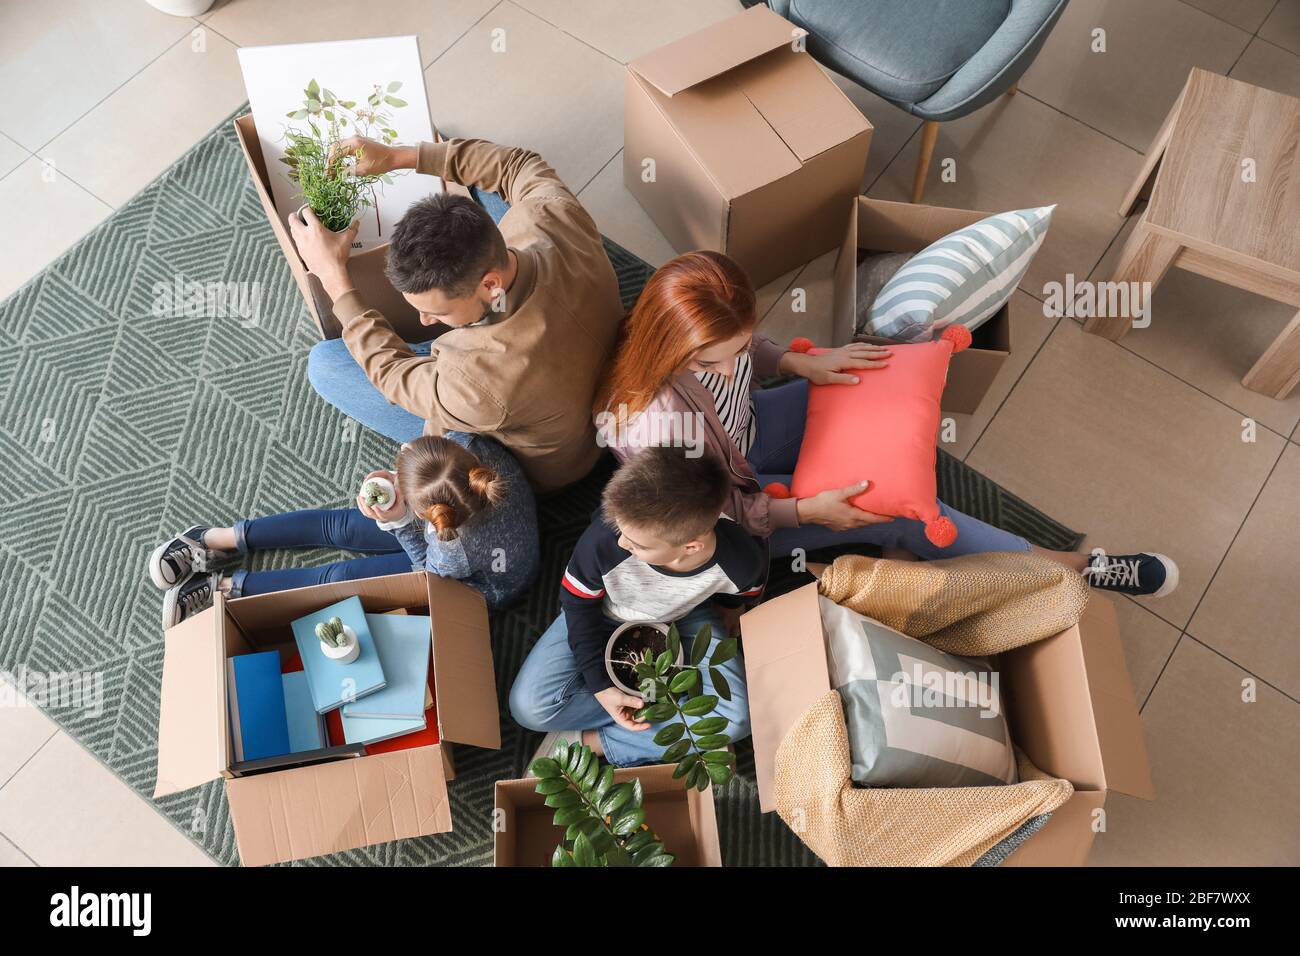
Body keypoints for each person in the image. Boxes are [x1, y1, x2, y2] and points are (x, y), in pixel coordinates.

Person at [593, 250, 1179, 598]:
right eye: (711, 359)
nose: (734, 362)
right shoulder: (661, 430)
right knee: (899, 512)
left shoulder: (687, 328)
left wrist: (796, 359)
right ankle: (1078, 570)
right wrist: (808, 510)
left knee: (862, 380)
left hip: (748, 436)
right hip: (737, 505)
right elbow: (721, 516)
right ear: (673, 347)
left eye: (739, 345)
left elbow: (748, 350)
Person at [289, 136, 623, 494]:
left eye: (437, 312)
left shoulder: (475, 382)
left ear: (490, 284)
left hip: (557, 456)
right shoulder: (552, 214)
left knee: (325, 365)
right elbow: (518, 163)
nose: (425, 323)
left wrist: (334, 278)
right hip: (579, 363)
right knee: (491, 185)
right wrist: (398, 156)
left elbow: (391, 373)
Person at [509, 447, 762, 767]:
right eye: (620, 529)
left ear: (691, 547)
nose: (622, 544)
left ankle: (592, 742)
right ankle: (684, 725)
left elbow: (748, 587)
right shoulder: (604, 537)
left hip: (685, 616)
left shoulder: (740, 559)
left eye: (637, 545)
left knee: (739, 717)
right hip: (603, 612)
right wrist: (601, 687)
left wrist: (732, 607)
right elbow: (577, 605)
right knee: (527, 707)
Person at [148, 432, 539, 626]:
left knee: (338, 577)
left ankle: (225, 590)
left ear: (428, 514)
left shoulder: (452, 548)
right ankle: (215, 539)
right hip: (455, 526)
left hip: (477, 585)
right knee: (341, 526)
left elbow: (431, 574)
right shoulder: (471, 448)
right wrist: (400, 481)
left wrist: (399, 523)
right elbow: (428, 460)